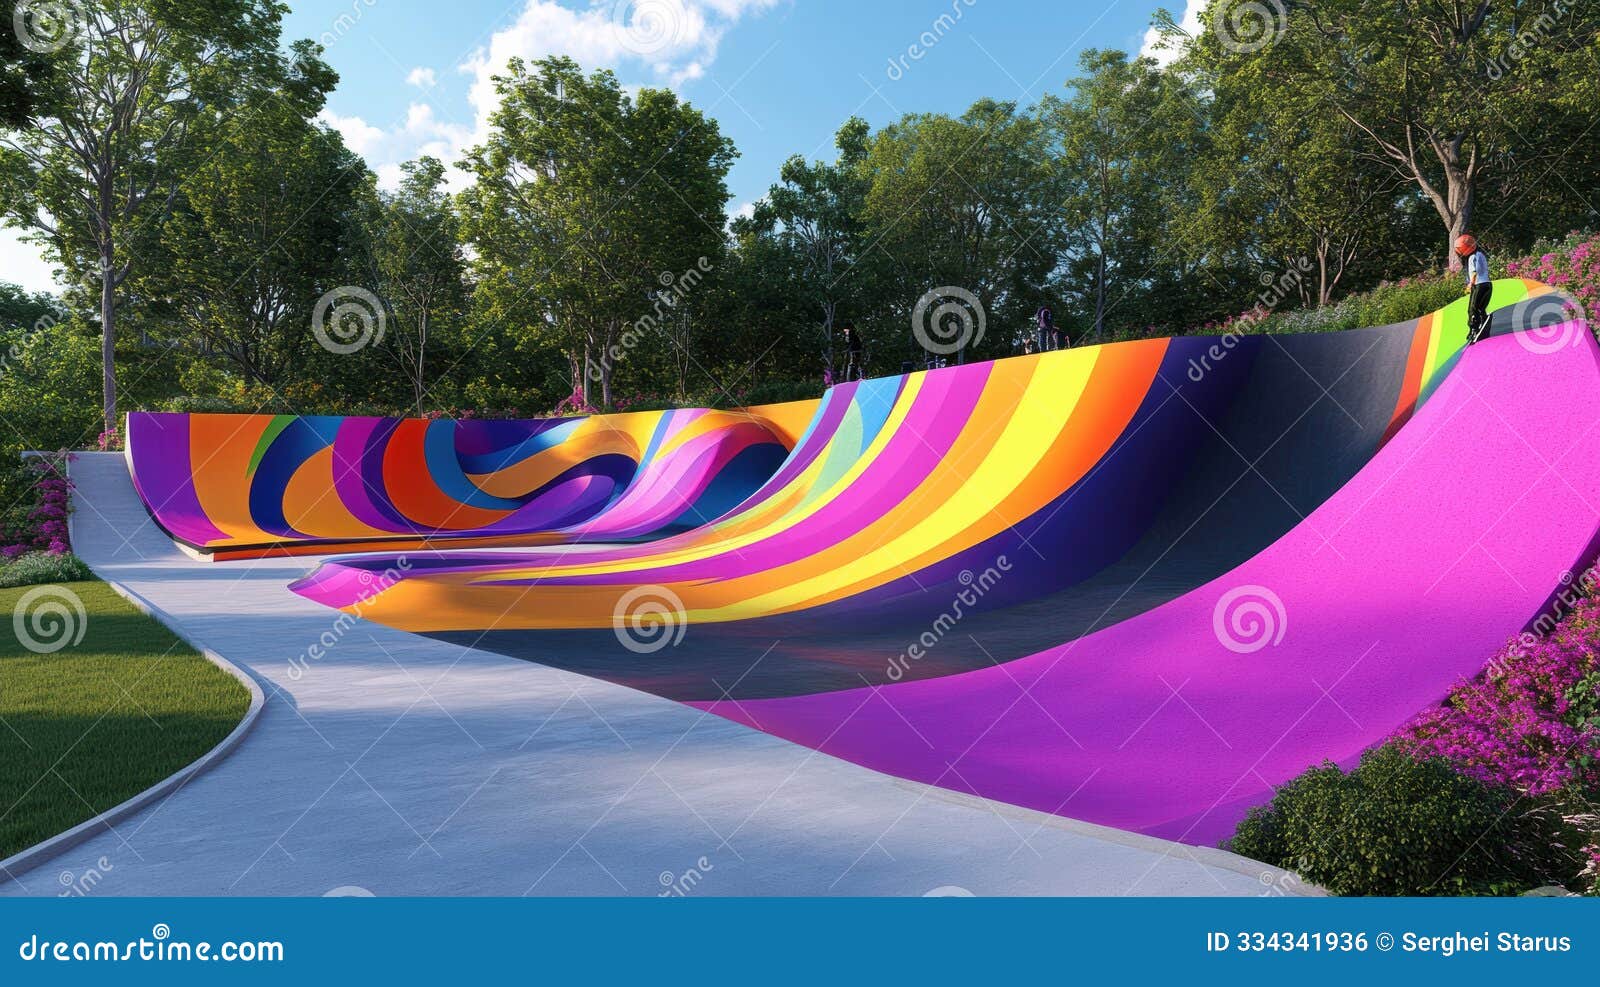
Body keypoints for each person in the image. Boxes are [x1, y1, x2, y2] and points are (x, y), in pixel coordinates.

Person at [1457, 234, 1492, 342]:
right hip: (1488, 284)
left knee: (1472, 309)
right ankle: (1484, 322)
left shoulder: (1472, 257)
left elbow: (1474, 272)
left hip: (1478, 285)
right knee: (1480, 308)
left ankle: (1474, 329)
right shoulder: (1481, 254)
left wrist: (1470, 284)